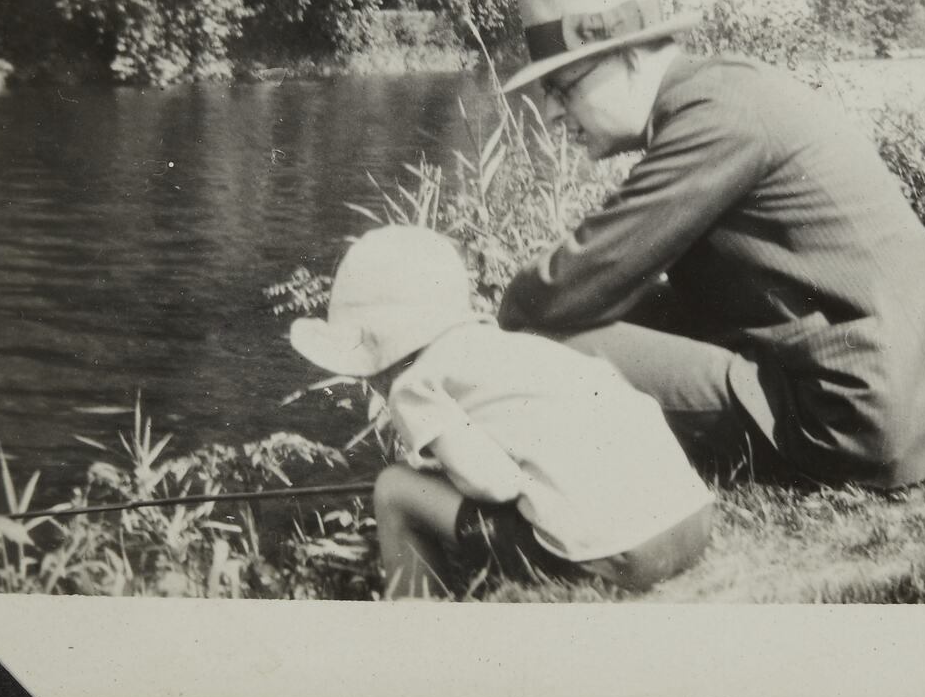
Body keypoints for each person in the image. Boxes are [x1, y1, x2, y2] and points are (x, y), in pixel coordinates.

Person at [497, 0, 925, 490]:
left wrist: (501, 317)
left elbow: (561, 289)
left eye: (563, 87)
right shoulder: (725, 91)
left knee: (538, 343)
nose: (553, 113)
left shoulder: (710, 121)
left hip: (860, 421)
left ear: (627, 55)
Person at [289, 225, 715, 599]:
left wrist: (443, 474)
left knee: (394, 488)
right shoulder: (515, 348)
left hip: (624, 558)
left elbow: (495, 485)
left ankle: (414, 631)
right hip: (691, 523)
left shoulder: (413, 386)